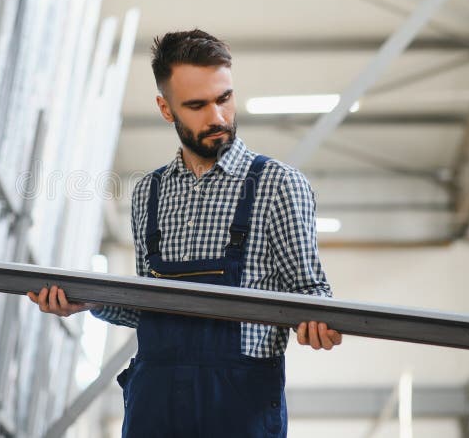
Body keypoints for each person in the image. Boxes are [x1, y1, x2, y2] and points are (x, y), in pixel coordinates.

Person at [28, 29, 342, 437]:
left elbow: (310, 291)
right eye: (196, 105)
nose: (216, 117)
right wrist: (89, 301)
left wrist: (318, 322)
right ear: (165, 107)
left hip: (239, 407)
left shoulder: (278, 184)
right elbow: (148, 307)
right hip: (155, 405)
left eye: (224, 98)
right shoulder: (149, 192)